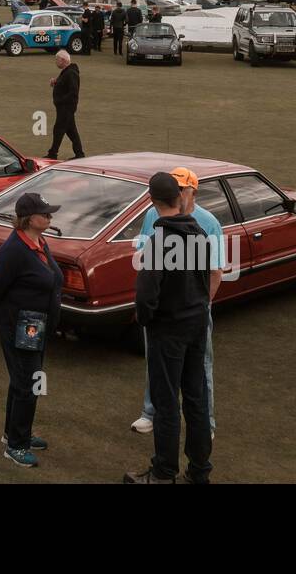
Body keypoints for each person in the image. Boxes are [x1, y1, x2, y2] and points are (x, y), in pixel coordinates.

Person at [125, 172, 214, 485]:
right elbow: (206, 279)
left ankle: (163, 473)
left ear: (152, 201)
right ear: (180, 198)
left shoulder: (159, 241)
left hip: (169, 329)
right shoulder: (200, 233)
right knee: (196, 398)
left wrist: (146, 319)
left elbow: (146, 294)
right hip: (196, 324)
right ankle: (200, 471)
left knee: (166, 403)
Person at [0, 191, 63, 469]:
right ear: (29, 219)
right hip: (19, 327)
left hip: (35, 326)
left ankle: (16, 433)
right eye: (45, 213)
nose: (50, 216)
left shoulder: (39, 241)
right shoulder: (14, 249)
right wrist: (9, 320)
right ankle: (16, 445)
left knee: (26, 381)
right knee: (27, 383)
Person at [45, 50, 84, 160]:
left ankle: (53, 153)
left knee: (58, 130)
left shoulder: (71, 73)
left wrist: (60, 100)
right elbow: (64, 84)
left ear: (63, 60)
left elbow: (73, 92)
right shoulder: (67, 71)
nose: (56, 62)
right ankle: (79, 154)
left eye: (57, 60)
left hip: (66, 108)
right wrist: (56, 82)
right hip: (65, 108)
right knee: (71, 131)